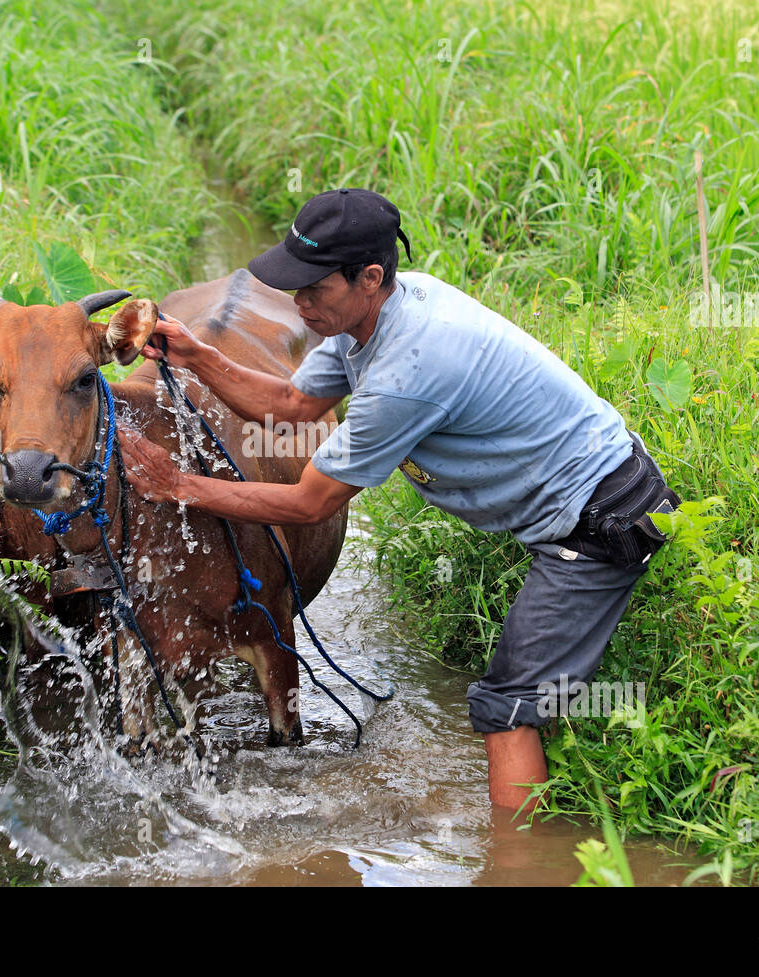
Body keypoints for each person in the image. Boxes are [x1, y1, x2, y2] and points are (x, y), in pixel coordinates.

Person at [117, 187, 680, 816]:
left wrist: (182, 486)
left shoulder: (410, 371)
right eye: (293, 286)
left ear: (371, 277)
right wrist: (201, 356)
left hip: (601, 519)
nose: (300, 303)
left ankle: (517, 864)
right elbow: (294, 406)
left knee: (507, 704)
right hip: (576, 500)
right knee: (513, 694)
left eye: (314, 288)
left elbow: (310, 504)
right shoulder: (373, 317)